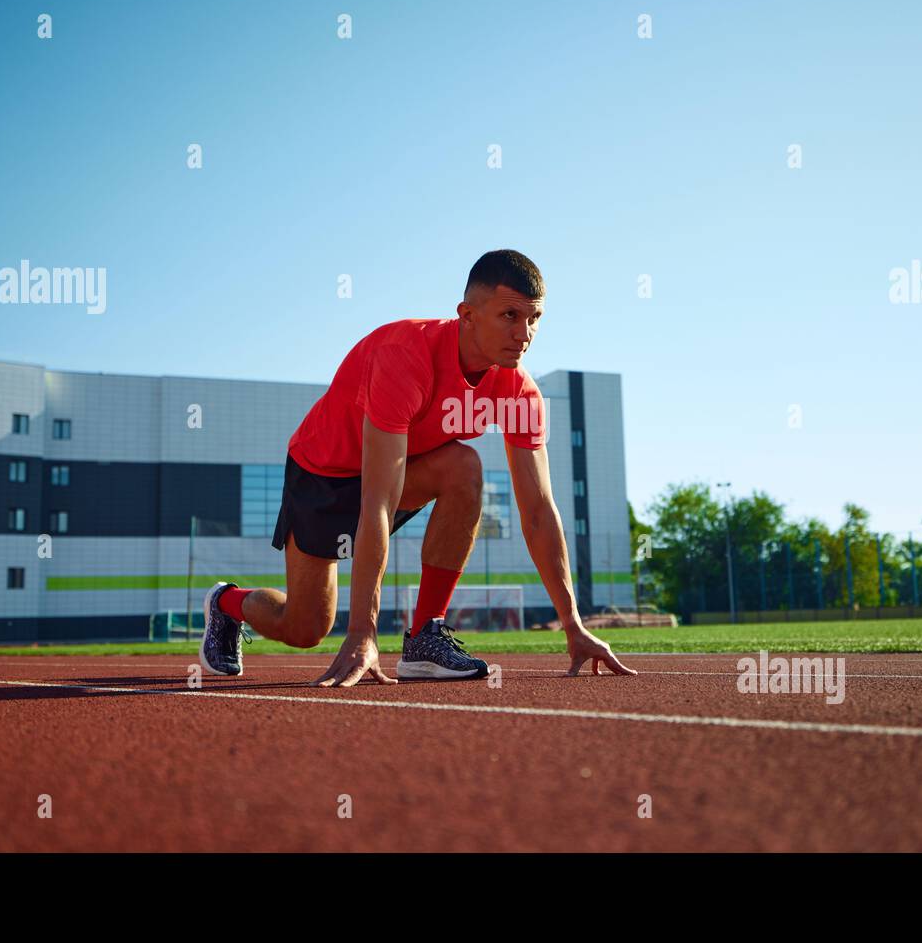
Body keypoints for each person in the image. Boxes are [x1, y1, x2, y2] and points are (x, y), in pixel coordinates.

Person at [199, 249, 636, 686]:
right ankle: (227, 604)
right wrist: (362, 633)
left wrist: (573, 624)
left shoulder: (519, 393)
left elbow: (540, 512)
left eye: (534, 318)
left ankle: (425, 637)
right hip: (325, 473)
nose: (524, 333)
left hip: (397, 472)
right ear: (467, 314)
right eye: (509, 315)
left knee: (464, 466)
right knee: (306, 628)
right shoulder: (404, 355)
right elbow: (377, 504)